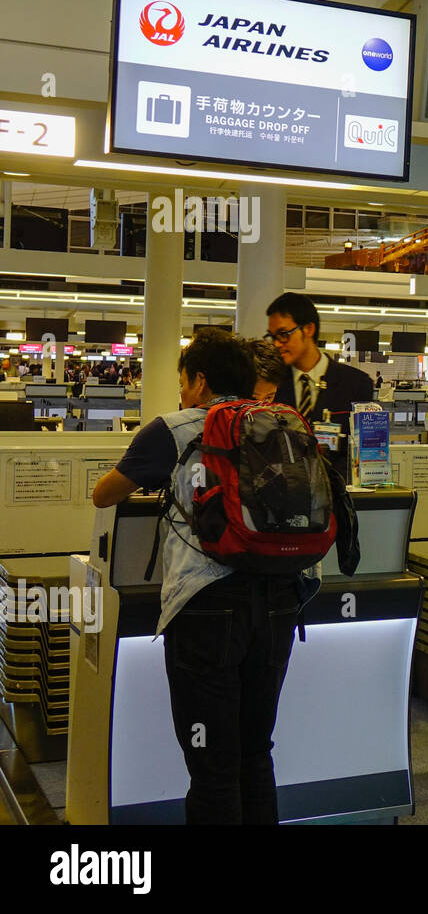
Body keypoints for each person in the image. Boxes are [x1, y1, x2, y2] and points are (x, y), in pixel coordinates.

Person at [90, 330, 314, 824]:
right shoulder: (278, 424)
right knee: (255, 753)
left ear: (200, 381)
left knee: (212, 766)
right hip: (280, 599)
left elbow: (104, 495)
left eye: (185, 380)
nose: (184, 391)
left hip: (207, 607)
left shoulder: (172, 428)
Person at [266, 292, 374, 474]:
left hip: (336, 494)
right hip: (282, 494)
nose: (277, 343)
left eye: (283, 334)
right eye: (272, 336)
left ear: (308, 329)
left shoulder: (356, 384)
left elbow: (362, 454)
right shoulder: (270, 384)